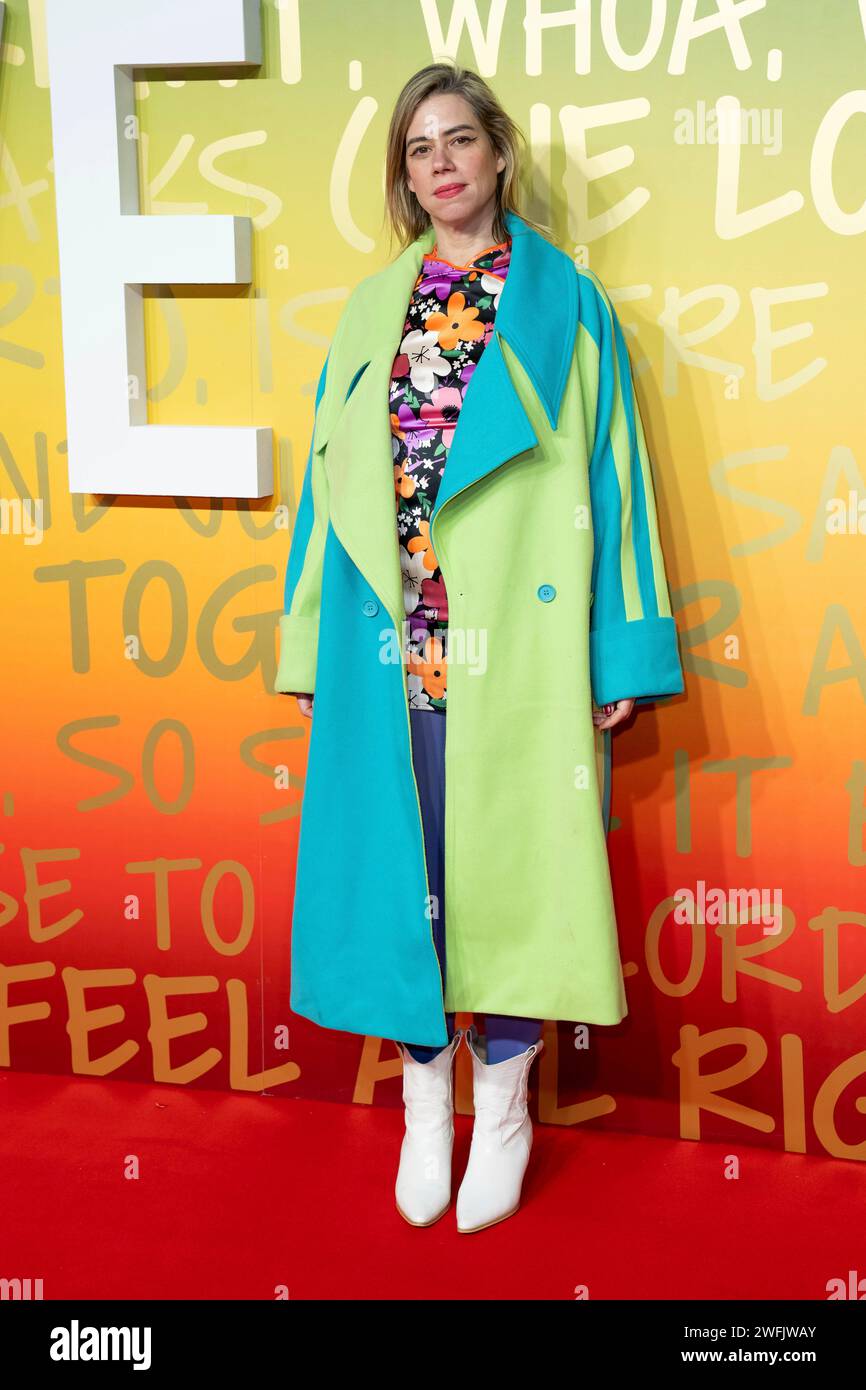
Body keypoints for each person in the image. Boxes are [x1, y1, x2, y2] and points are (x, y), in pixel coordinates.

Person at [275, 61, 684, 1235]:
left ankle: (500, 1104)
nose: (441, 162)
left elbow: (617, 480)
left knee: (511, 874)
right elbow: (326, 485)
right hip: (390, 641)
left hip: (522, 636)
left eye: (459, 139)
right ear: (405, 177)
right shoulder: (369, 308)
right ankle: (423, 1105)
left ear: (499, 154)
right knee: (408, 886)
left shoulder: (565, 303)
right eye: (417, 148)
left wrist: (620, 652)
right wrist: (310, 643)